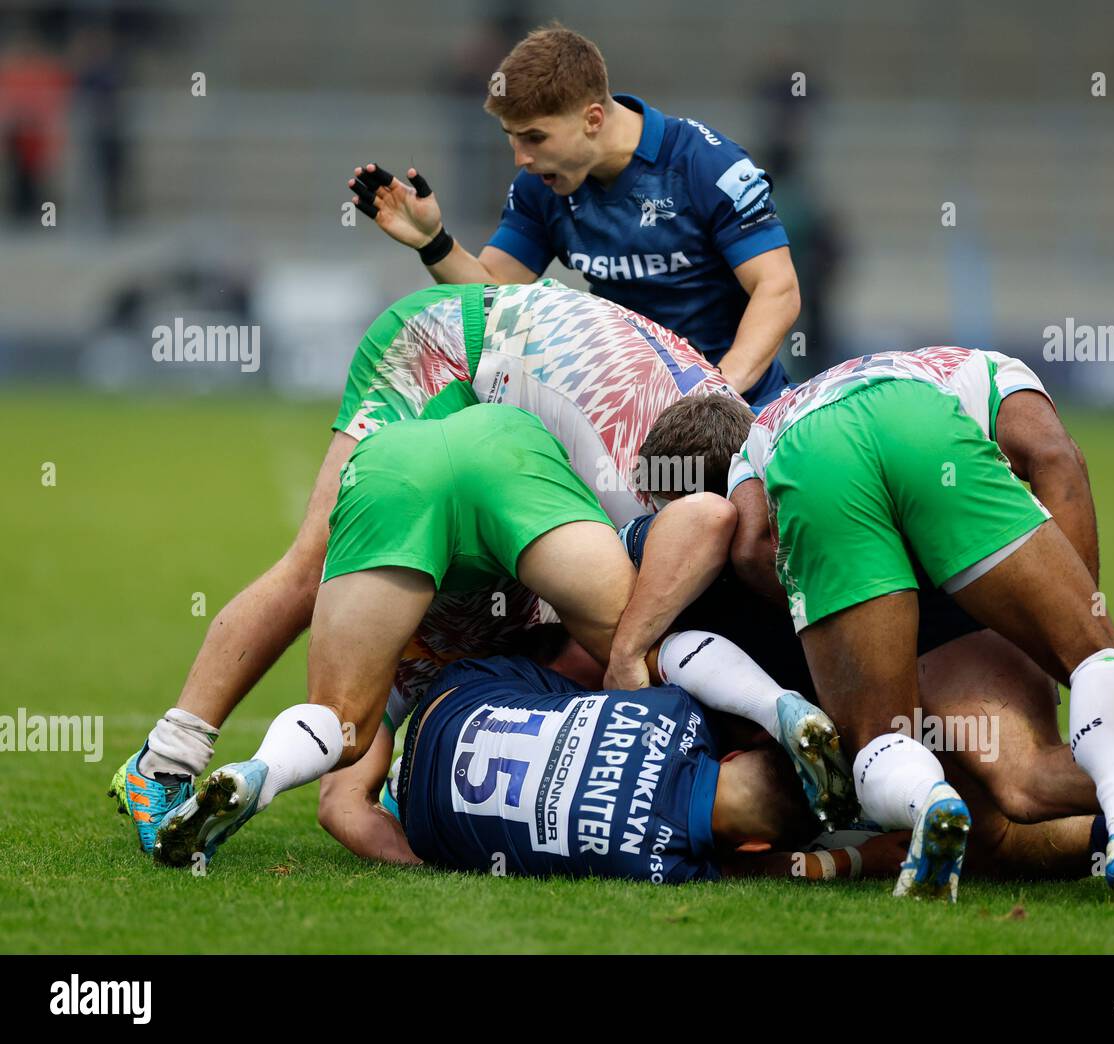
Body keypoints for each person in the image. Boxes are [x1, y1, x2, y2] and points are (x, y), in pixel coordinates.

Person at [109, 279, 742, 854]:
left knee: (503, 610)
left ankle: (302, 771)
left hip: (487, 409)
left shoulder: (714, 430)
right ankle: (164, 761)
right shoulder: (639, 479)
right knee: (313, 570)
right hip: (439, 356)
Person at [630, 347, 1114, 903]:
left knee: (896, 751)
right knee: (1084, 679)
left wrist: (848, 621)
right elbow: (1059, 460)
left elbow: (749, 552)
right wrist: (1064, 638)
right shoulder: (987, 368)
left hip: (822, 477)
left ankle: (927, 803)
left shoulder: (754, 457)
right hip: (926, 443)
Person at [150, 406, 847, 869]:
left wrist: (422, 852)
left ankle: (260, 773)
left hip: (395, 458)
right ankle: (778, 707)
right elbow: (700, 514)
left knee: (344, 721)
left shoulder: (422, 657)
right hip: (508, 460)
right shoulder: (595, 580)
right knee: (649, 649)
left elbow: (340, 808)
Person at [315, 654, 1107, 886]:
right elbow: (782, 871)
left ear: (733, 751)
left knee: (587, 670)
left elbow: (581, 679)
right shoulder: (657, 861)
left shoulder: (671, 715)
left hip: (453, 703)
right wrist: (855, 853)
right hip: (431, 820)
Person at [348, 24, 800, 408]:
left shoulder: (706, 165)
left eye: (535, 137)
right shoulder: (542, 185)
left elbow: (777, 287)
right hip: (624, 413)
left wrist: (714, 396)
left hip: (739, 408)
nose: (520, 158)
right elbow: (497, 293)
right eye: (511, 136)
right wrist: (433, 241)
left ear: (593, 118)